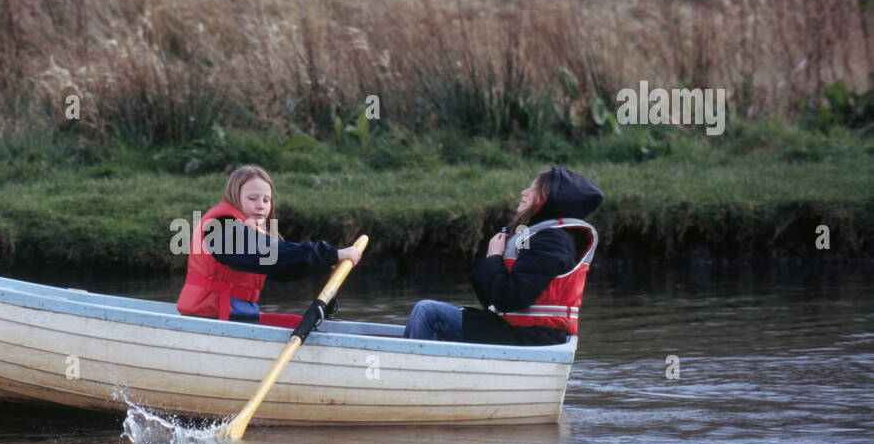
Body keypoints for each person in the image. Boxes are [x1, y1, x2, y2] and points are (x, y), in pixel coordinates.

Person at [403, 166, 603, 345]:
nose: (523, 193)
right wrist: (494, 259)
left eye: (533, 189)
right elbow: (494, 300)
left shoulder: (551, 242)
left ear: (548, 200)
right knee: (429, 314)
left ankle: (412, 377)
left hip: (531, 338)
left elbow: (510, 298)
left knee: (428, 313)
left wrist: (493, 259)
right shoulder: (530, 235)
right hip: (517, 331)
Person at [177, 164, 361, 323]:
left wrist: (325, 266)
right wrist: (329, 253)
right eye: (252, 198)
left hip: (237, 315)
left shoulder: (253, 232)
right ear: (235, 196)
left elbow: (284, 268)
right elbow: (269, 254)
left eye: (266, 200)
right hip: (210, 316)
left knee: (308, 325)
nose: (261, 206)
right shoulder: (220, 228)